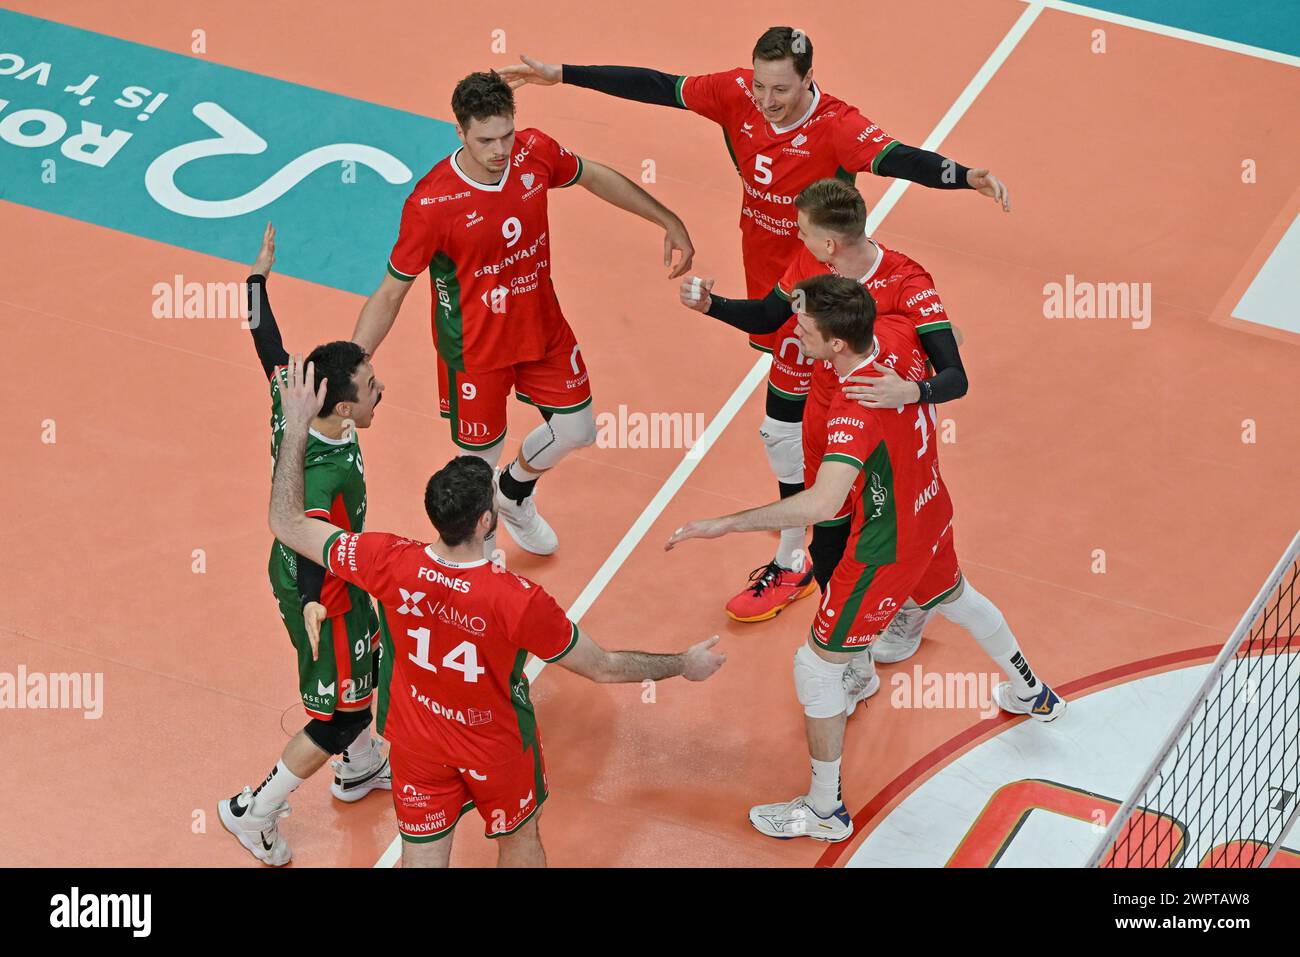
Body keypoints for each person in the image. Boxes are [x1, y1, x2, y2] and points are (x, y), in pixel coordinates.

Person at [503, 26, 1009, 618]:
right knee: (801, 425)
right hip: (768, 278)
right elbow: (659, 87)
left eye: (782, 91)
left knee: (788, 426)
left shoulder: (837, 125)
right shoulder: (737, 93)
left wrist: (962, 174)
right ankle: (833, 525)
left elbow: (899, 157)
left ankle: (802, 557)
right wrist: (562, 73)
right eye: (761, 86)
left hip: (813, 290)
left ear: (808, 80)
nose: (767, 102)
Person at [268, 356, 726, 867]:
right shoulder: (517, 599)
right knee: (521, 843)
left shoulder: (385, 560)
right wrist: (683, 664)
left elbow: (286, 522)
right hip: (497, 751)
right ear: (487, 520)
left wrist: (297, 426)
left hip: (417, 749)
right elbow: (603, 667)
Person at [667, 275, 1062, 843]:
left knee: (816, 666)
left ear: (836, 346)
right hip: (929, 507)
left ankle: (825, 809)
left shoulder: (856, 411)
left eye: (803, 329)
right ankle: (1030, 691)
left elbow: (825, 500)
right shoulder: (896, 338)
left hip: (884, 546)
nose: (792, 334)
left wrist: (724, 524)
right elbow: (936, 352)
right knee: (957, 598)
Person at [351, 70, 695, 558]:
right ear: (460, 132)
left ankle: (514, 493)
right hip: (476, 349)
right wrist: (354, 360)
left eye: (506, 134)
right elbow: (390, 293)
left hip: (542, 328)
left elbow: (593, 175)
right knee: (476, 471)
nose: (500, 150)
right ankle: (485, 564)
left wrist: (669, 219)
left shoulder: (533, 153)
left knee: (578, 430)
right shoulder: (431, 205)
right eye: (485, 139)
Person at [680, 177, 965, 663]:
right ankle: (851, 658)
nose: (798, 238)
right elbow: (771, 316)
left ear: (830, 241)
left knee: (884, 535)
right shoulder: (813, 264)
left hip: (886, 439)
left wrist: (912, 391)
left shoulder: (907, 281)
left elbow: (956, 377)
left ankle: (912, 607)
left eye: (803, 230)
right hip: (826, 420)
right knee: (830, 545)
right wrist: (711, 305)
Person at [218, 224, 390, 867]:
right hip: (322, 585)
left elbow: (269, 344)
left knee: (362, 678)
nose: (380, 392)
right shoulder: (323, 471)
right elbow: (308, 536)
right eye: (371, 389)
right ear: (343, 410)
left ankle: (361, 767)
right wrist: (319, 605)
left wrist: (257, 279)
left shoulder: (295, 392)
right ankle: (252, 810)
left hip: (343, 570)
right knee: (337, 714)